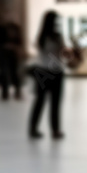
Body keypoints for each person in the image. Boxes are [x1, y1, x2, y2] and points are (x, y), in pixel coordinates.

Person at [28, 11, 65, 139]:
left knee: (40, 101)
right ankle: (55, 130)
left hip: (42, 70)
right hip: (56, 71)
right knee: (55, 103)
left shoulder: (41, 37)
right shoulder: (58, 37)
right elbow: (62, 52)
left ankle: (33, 128)